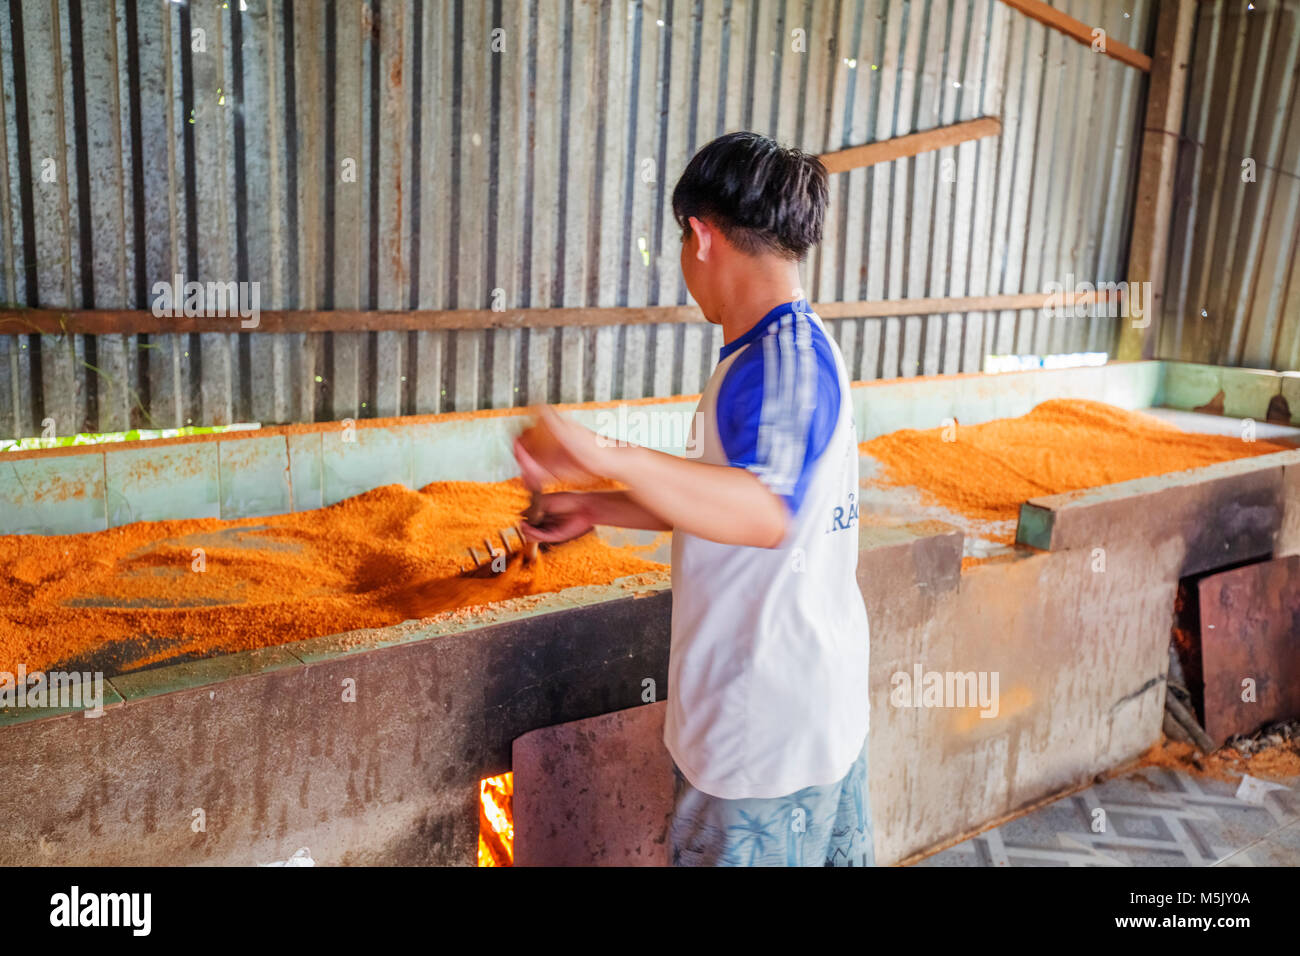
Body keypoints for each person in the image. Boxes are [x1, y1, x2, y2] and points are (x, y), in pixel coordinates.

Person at [513, 131, 872, 867]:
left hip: (763, 737)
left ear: (699, 236)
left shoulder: (782, 360)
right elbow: (720, 495)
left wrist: (590, 447)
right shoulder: (771, 353)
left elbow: (762, 513)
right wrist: (599, 506)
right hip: (794, 716)